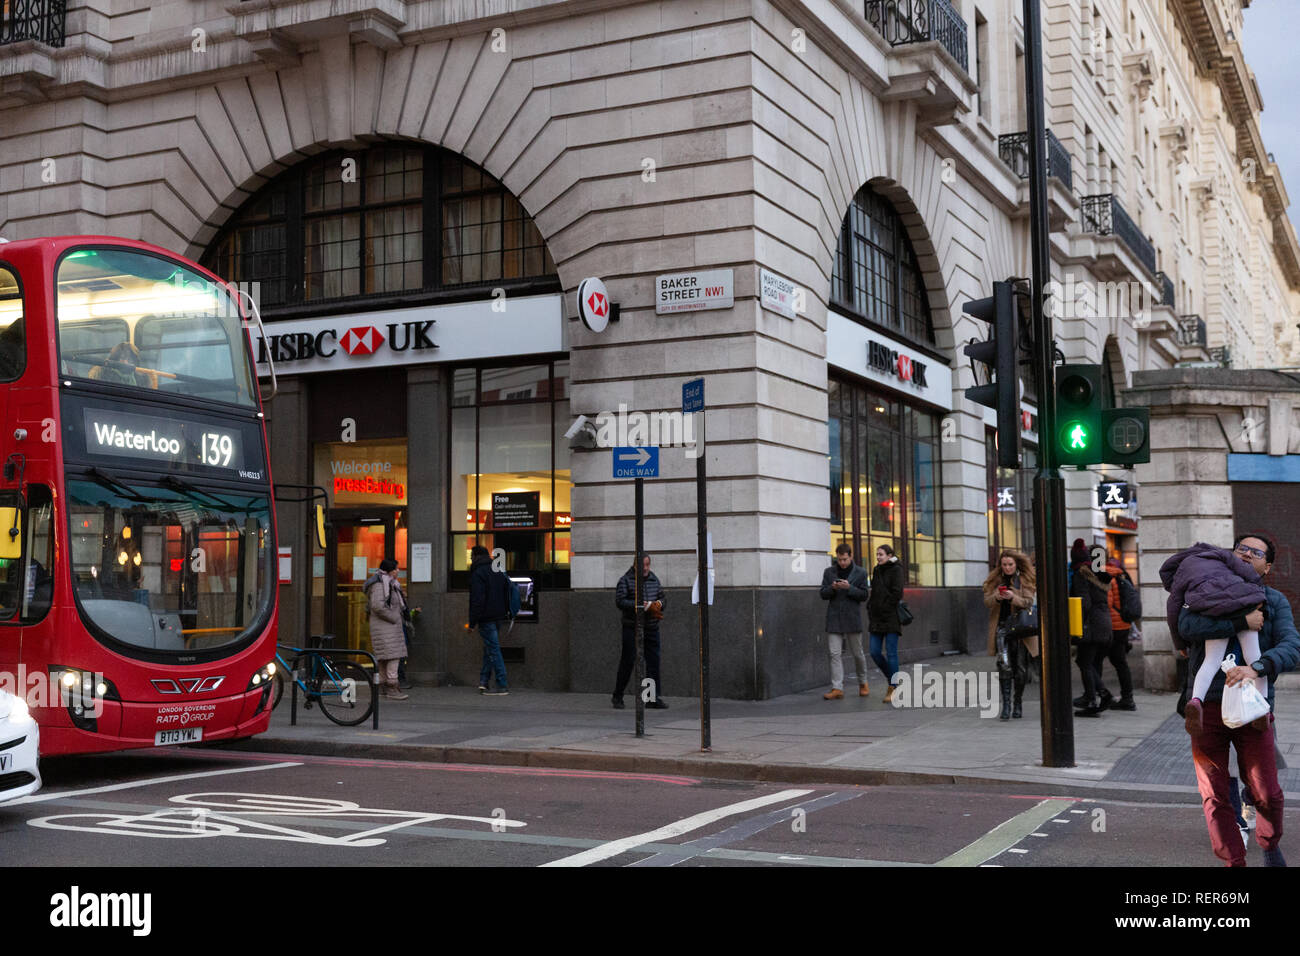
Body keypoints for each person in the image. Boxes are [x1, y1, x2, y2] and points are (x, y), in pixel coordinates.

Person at [1173, 534, 1300, 866]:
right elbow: (1187, 625)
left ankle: (1269, 842)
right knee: (1214, 794)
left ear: (1267, 566)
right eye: (1240, 548)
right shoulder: (1203, 593)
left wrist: (1255, 667)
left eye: (1255, 552)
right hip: (1208, 711)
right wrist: (1240, 622)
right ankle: (1234, 860)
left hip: (1252, 709)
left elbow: (1292, 646)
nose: (1245, 554)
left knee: (1266, 792)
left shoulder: (1273, 601)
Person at [1160, 541, 1268, 734]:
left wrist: (1180, 644)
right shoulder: (1220, 554)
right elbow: (1244, 570)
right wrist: (1258, 591)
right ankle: (1262, 707)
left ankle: (1196, 701)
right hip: (1242, 600)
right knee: (1255, 659)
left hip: (1210, 608)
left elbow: (1173, 609)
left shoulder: (1183, 570)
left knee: (1210, 661)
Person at [982, 550, 1036, 720]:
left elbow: (1028, 602)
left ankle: (1017, 703)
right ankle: (1006, 706)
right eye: (1004, 564)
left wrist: (1013, 596)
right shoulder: (995, 579)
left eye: (1010, 564)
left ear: (1016, 564)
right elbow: (987, 602)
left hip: (1020, 630)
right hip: (1002, 628)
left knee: (1020, 670)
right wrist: (997, 596)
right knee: (1004, 666)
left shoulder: (1024, 579)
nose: (1007, 568)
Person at [612, 553, 666, 709]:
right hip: (632, 626)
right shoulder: (625, 580)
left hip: (651, 626)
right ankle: (618, 695)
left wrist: (658, 604)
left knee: (653, 662)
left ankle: (651, 698)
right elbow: (620, 601)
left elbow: (663, 598)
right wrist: (639, 605)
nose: (646, 568)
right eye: (643, 565)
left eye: (648, 565)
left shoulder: (654, 580)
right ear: (635, 565)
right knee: (628, 660)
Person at [819, 543, 871, 700]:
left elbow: (864, 595)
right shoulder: (829, 572)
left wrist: (849, 588)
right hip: (834, 617)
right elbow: (822, 594)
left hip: (852, 617)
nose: (842, 562)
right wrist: (833, 588)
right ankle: (837, 688)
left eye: (845, 559)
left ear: (851, 556)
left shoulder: (861, 572)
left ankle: (863, 682)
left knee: (857, 653)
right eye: (840, 559)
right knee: (834, 653)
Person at [1071, 557, 1113, 717]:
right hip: (1103, 623)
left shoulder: (1081, 575)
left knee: (1084, 662)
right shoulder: (1098, 576)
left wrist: (1076, 622)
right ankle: (1093, 696)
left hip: (1091, 625)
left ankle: (1097, 696)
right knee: (1089, 662)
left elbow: (1084, 604)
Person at [468, 544, 510, 696]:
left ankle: (502, 684)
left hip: (486, 617)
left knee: (493, 650)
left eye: (471, 556)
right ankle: (484, 682)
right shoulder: (497, 569)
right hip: (499, 616)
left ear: (476, 556)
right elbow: (506, 592)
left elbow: (477, 600)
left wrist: (472, 623)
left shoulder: (478, 572)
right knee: (489, 649)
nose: (470, 559)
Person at [364, 558, 408, 701]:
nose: (398, 571)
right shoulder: (380, 584)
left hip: (386, 627)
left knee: (385, 657)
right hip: (385, 627)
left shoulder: (389, 583)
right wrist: (394, 617)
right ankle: (392, 688)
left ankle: (382, 687)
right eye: (396, 568)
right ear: (389, 571)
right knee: (393, 657)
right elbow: (377, 606)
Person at [1099, 558, 1139, 711]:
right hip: (1123, 625)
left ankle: (1102, 695)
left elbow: (1107, 604)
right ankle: (1127, 698)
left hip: (1113, 626)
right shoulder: (1122, 575)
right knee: (1120, 662)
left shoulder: (1108, 578)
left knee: (1095, 661)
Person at [867, 544, 906, 703]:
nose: (878, 557)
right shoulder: (877, 570)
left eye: (881, 554)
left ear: (889, 555)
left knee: (891, 653)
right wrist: (870, 607)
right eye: (877, 554)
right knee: (874, 652)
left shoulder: (897, 569)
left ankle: (893, 687)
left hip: (890, 617)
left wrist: (885, 607)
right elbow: (875, 591)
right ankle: (893, 678)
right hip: (876, 618)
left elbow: (898, 592)